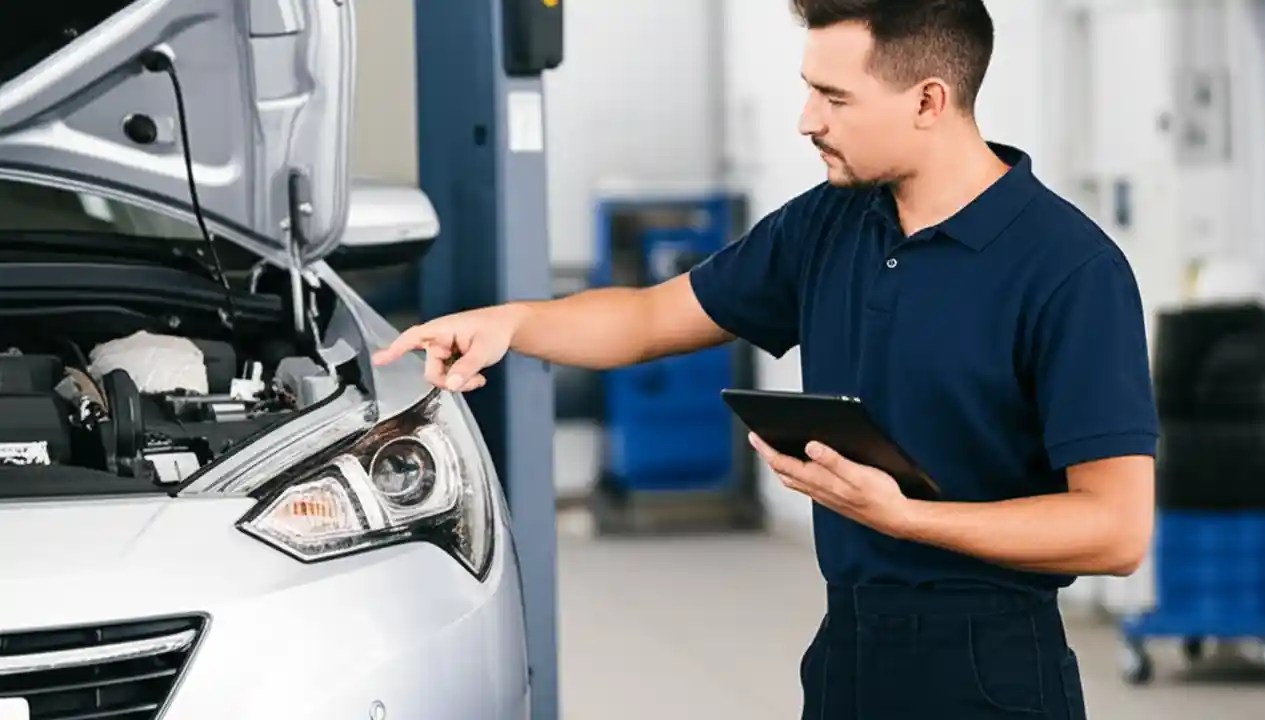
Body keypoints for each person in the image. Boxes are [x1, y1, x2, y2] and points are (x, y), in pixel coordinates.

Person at [375, 0, 1158, 716]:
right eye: (809, 88)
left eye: (835, 98)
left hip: (993, 668)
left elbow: (1114, 530)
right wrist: (513, 323)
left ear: (928, 100)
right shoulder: (829, 223)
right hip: (849, 649)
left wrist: (908, 518)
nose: (806, 120)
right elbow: (650, 318)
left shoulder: (1069, 270)